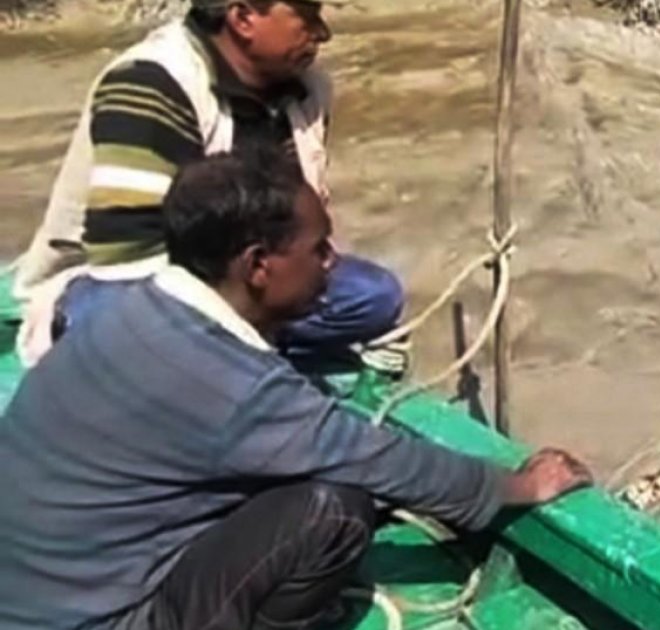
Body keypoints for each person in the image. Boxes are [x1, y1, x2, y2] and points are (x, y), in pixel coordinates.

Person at [0, 148, 593, 629]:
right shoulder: (239, 389)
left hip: (33, 597)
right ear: (258, 265)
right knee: (335, 509)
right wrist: (519, 485)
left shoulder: (133, 311)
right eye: (318, 249)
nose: (333, 263)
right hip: (102, 619)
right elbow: (386, 462)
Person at [12, 0, 403, 366]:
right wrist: (236, 312)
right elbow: (127, 260)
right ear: (243, 18)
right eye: (307, 15)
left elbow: (297, 222)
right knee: (120, 324)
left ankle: (219, 355)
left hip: (251, 279)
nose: (322, 34)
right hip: (129, 285)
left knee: (372, 297)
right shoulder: (151, 84)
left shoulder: (307, 89)